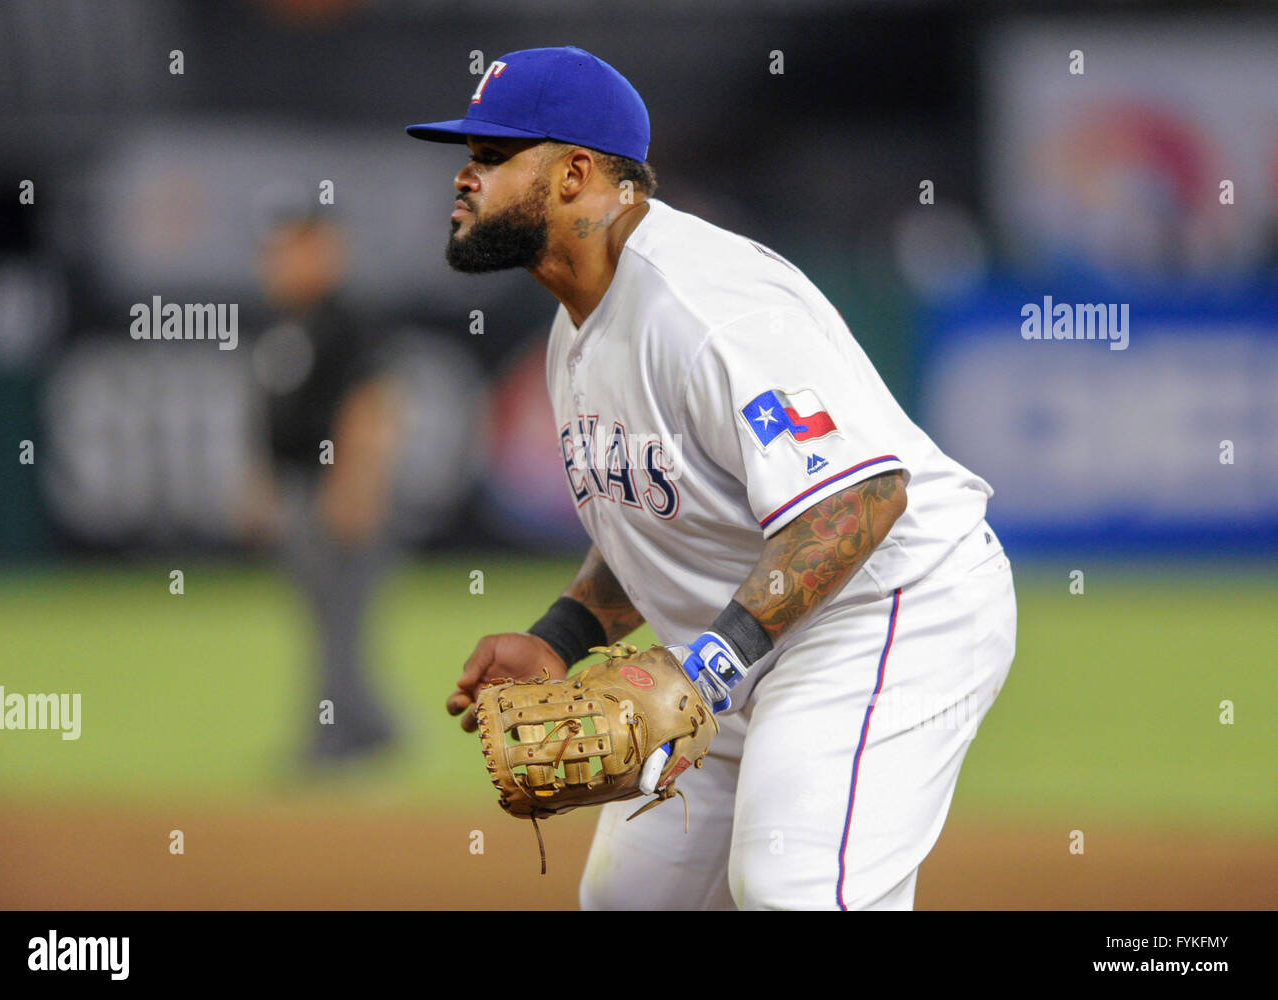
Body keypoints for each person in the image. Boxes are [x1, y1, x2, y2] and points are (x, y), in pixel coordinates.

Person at [407, 46, 1016, 910]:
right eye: (469, 157)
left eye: (493, 157)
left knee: (792, 890)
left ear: (577, 172)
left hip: (886, 612)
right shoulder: (575, 326)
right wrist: (561, 637)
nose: (466, 178)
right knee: (630, 899)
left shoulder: (709, 306)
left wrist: (705, 673)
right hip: (741, 639)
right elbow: (664, 520)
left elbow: (859, 497)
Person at [240, 188, 403, 766]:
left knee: (339, 624)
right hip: (301, 492)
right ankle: (377, 727)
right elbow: (270, 415)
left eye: (293, 250)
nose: (278, 262)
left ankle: (333, 740)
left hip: (339, 492)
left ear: (324, 251)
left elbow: (373, 406)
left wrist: (355, 488)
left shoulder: (347, 320)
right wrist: (260, 485)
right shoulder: (285, 324)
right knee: (329, 623)